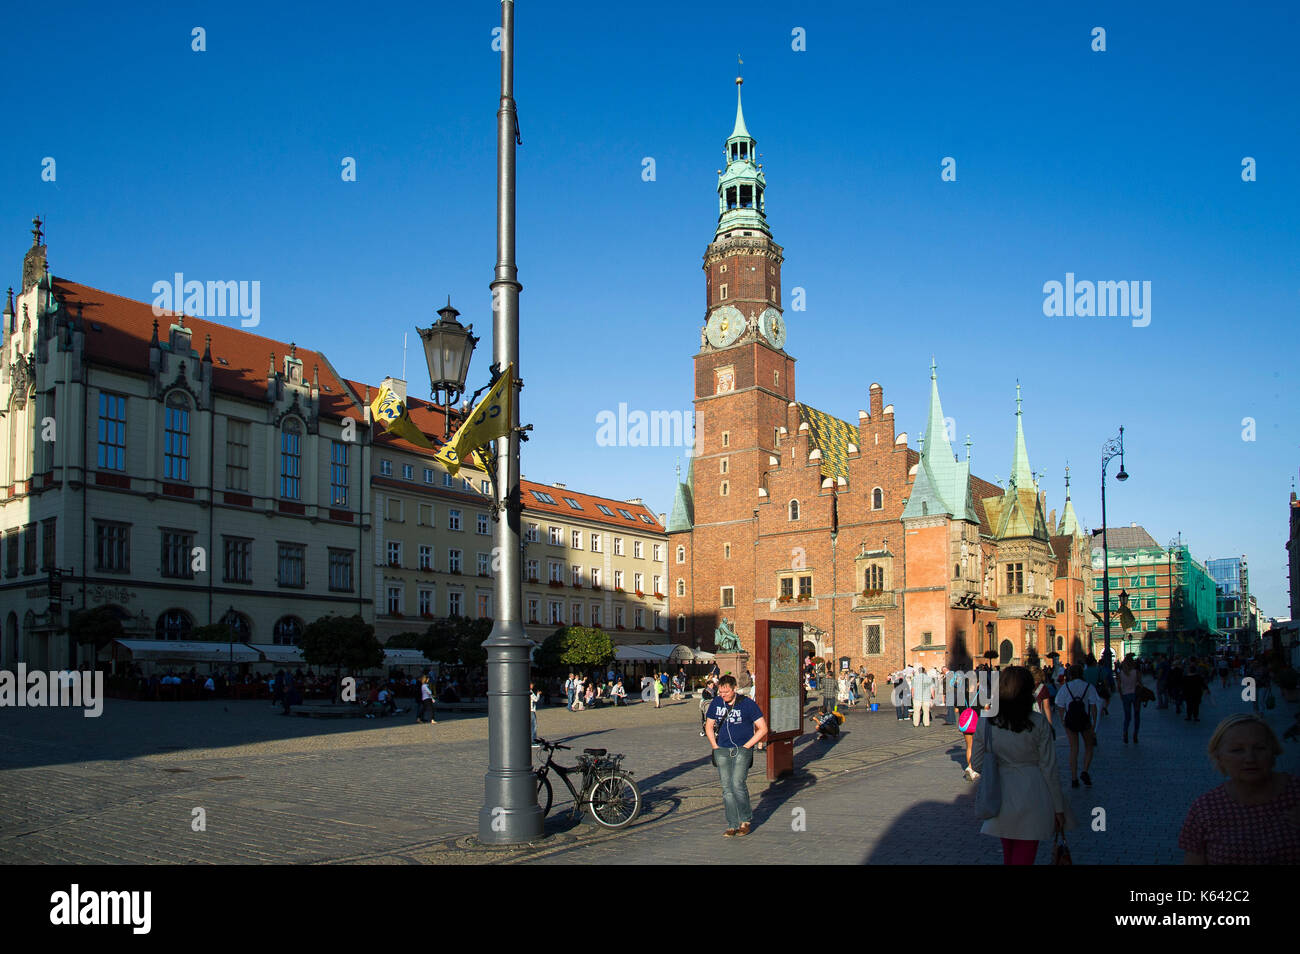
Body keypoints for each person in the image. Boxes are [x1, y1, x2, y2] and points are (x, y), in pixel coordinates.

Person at [971, 666, 1072, 865]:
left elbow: (977, 763)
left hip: (1000, 795)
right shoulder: (1040, 723)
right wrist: (1058, 808)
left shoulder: (986, 723)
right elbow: (1049, 769)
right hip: (1033, 793)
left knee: (1009, 855)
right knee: (1024, 855)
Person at [1180, 714, 1300, 864]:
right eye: (1237, 750)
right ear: (1218, 756)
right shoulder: (1206, 809)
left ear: (1274, 751)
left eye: (1259, 748)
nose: (1250, 758)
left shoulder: (1296, 794)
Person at [704, 674, 769, 837]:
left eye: (726, 692)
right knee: (726, 789)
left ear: (734, 689)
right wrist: (715, 746)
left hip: (742, 749)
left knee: (737, 783)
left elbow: (763, 728)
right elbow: (709, 726)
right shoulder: (716, 702)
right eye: (720, 692)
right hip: (722, 749)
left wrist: (748, 746)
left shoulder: (747, 704)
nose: (723, 695)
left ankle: (745, 820)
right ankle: (732, 824)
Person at [1055, 664, 1100, 788]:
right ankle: (1085, 770)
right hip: (1085, 720)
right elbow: (1093, 706)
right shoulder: (1088, 687)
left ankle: (1074, 779)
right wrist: (1094, 723)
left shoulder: (1066, 687)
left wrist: (1062, 720)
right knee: (1089, 747)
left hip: (1070, 720)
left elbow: (1060, 705)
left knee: (1074, 749)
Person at [1117, 654, 1145, 743]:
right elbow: (1140, 684)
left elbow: (1119, 686)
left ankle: (1125, 732)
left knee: (1127, 716)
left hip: (1125, 695)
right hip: (1136, 696)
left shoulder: (1120, 673)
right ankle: (1135, 735)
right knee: (1137, 716)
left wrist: (1121, 695)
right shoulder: (1136, 672)